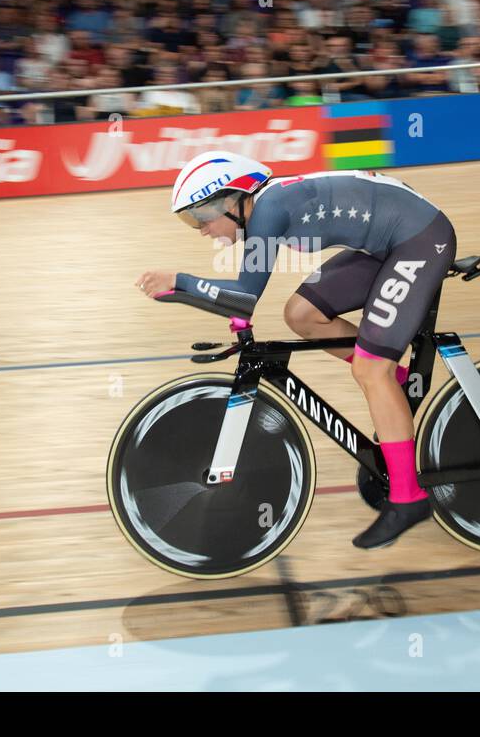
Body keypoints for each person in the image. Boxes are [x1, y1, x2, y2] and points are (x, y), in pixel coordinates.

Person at [136, 151, 459, 549]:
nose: (201, 229)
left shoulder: (268, 212)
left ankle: (409, 498)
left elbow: (243, 296)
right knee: (301, 313)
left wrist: (181, 281)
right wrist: (229, 317)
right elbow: (242, 302)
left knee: (369, 369)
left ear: (233, 200)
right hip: (388, 242)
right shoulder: (264, 209)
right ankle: (399, 384)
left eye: (201, 217)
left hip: (419, 239)